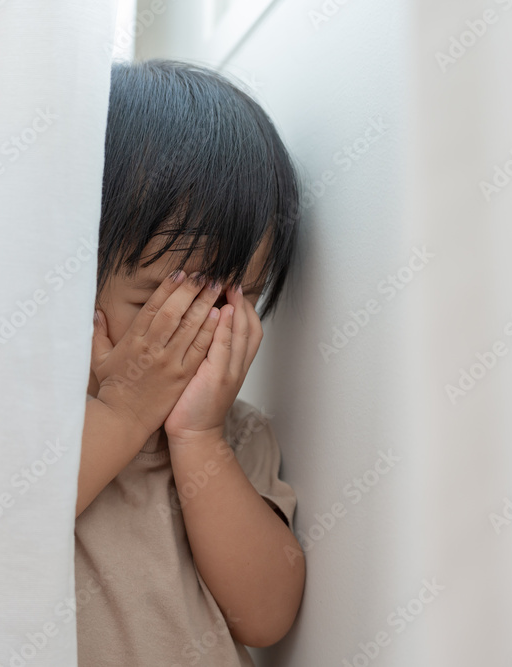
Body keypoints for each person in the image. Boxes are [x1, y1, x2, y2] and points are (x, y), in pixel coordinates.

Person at [74, 58, 305, 666]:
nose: (201, 328)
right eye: (163, 301)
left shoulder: (238, 433)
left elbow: (267, 616)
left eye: (236, 299)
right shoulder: (38, 424)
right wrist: (121, 413)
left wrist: (201, 438)